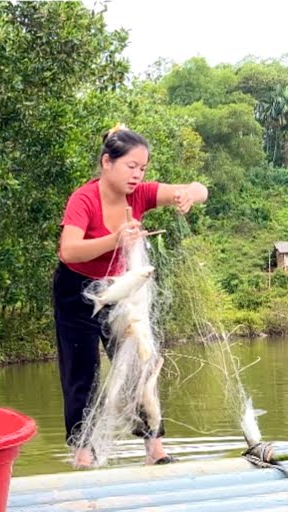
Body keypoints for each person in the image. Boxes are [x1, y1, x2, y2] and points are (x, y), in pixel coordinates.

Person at [53, 125, 208, 469]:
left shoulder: (140, 195)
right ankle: (83, 453)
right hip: (76, 291)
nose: (138, 175)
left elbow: (200, 188)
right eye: (131, 166)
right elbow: (69, 250)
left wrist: (189, 196)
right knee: (82, 371)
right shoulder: (84, 199)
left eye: (143, 168)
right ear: (107, 162)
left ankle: (155, 446)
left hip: (120, 289)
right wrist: (115, 240)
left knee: (141, 362)